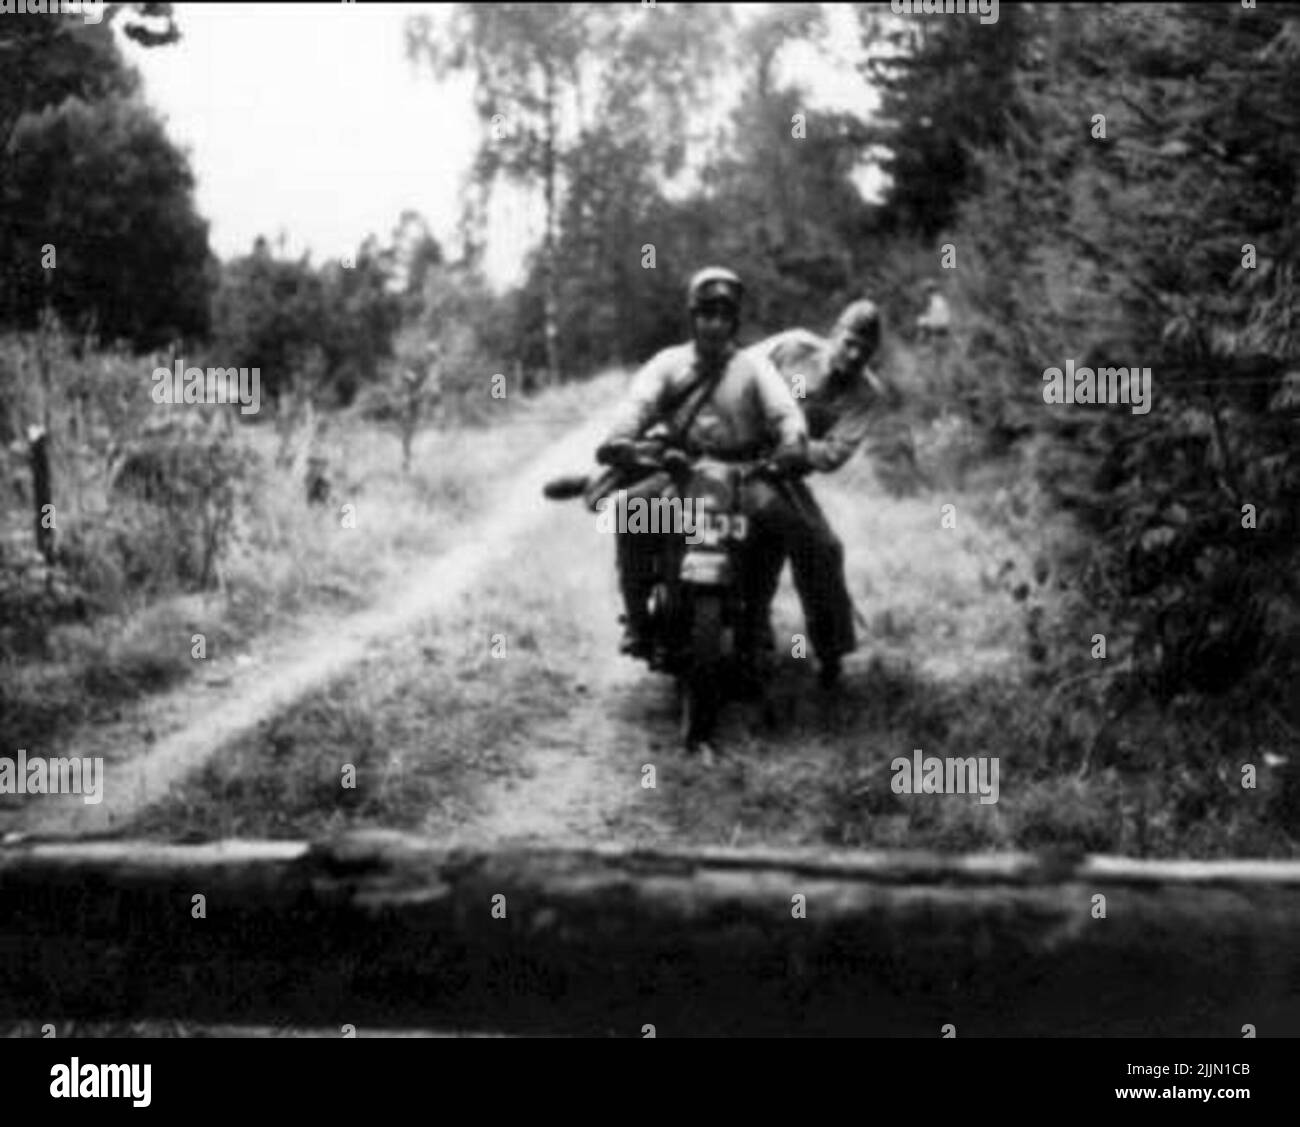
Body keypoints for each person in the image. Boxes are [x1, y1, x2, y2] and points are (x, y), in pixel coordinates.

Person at [594, 266, 808, 660]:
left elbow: (785, 411)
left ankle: (756, 615)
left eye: (724, 316)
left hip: (742, 475)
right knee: (630, 512)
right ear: (693, 318)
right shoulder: (668, 363)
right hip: (679, 470)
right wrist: (622, 438)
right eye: (707, 314)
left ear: (734, 322)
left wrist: (793, 441)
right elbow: (638, 403)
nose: (715, 324)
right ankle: (639, 620)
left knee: (777, 522)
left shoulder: (755, 367)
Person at [744, 299, 897, 688]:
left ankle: (830, 657)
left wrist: (793, 453)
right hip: (735, 445)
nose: (854, 354)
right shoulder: (793, 347)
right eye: (849, 342)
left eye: (865, 349)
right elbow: (741, 368)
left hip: (783, 469)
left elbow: (834, 452)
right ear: (833, 334)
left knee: (823, 547)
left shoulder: (866, 394)